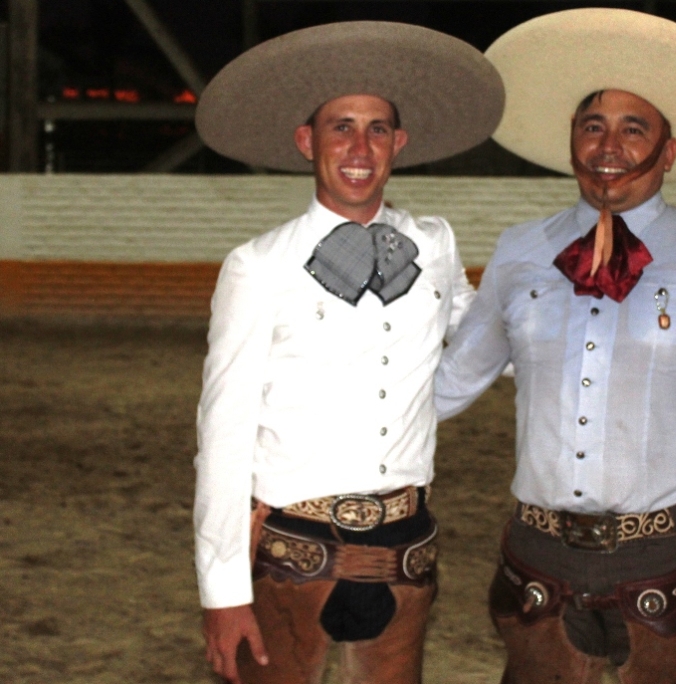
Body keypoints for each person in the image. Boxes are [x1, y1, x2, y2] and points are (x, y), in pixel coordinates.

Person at [435, 9, 676, 684]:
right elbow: (450, 384)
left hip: (667, 560)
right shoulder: (519, 250)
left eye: (634, 127)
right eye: (592, 125)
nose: (608, 143)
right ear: (571, 142)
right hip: (538, 555)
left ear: (668, 151)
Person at [192, 21, 504, 684]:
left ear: (399, 144)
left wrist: (562, 303)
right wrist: (222, 593)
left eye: (376, 128)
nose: (359, 146)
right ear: (308, 142)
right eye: (341, 126)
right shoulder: (258, 265)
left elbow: (487, 346)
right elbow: (222, 432)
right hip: (289, 553)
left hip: (405, 550)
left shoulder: (434, 244)